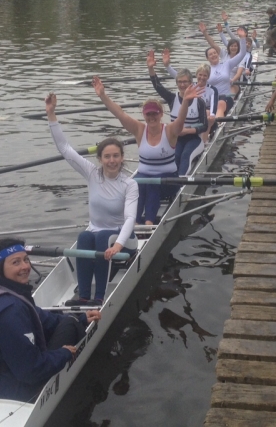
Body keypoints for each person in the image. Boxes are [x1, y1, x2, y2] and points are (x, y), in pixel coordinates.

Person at [0, 238, 101, 401]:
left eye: (26, 259)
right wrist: (63, 354)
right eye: (16, 262)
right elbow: (30, 372)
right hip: (9, 392)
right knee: (70, 324)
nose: (25, 266)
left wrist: (83, 317)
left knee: (68, 320)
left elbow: (41, 317)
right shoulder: (11, 310)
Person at [45, 94, 139, 305]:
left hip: (125, 241)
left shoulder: (130, 184)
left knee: (102, 237)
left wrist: (118, 245)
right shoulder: (91, 174)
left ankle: (100, 298)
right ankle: (84, 296)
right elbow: (65, 149)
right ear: (100, 159)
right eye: (107, 156)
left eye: (116, 156)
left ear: (122, 158)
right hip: (99, 236)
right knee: (84, 237)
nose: (112, 160)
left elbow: (130, 218)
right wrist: (51, 114)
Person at [92, 76, 203, 225]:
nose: (151, 117)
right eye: (148, 114)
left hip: (169, 182)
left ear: (160, 114)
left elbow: (181, 120)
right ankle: (135, 222)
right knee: (134, 185)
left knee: (149, 184)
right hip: (145, 180)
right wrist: (103, 96)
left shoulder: (170, 131)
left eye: (154, 114)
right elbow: (120, 114)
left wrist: (185, 102)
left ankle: (149, 223)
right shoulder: (139, 129)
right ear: (144, 115)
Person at [146, 50, 208, 175]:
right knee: (174, 157)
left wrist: (187, 131)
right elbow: (157, 86)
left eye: (185, 82)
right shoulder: (172, 99)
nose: (182, 84)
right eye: (179, 82)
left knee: (185, 156)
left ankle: (181, 186)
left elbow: (205, 125)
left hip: (195, 139)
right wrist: (151, 68)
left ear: (191, 83)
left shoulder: (199, 102)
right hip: (176, 139)